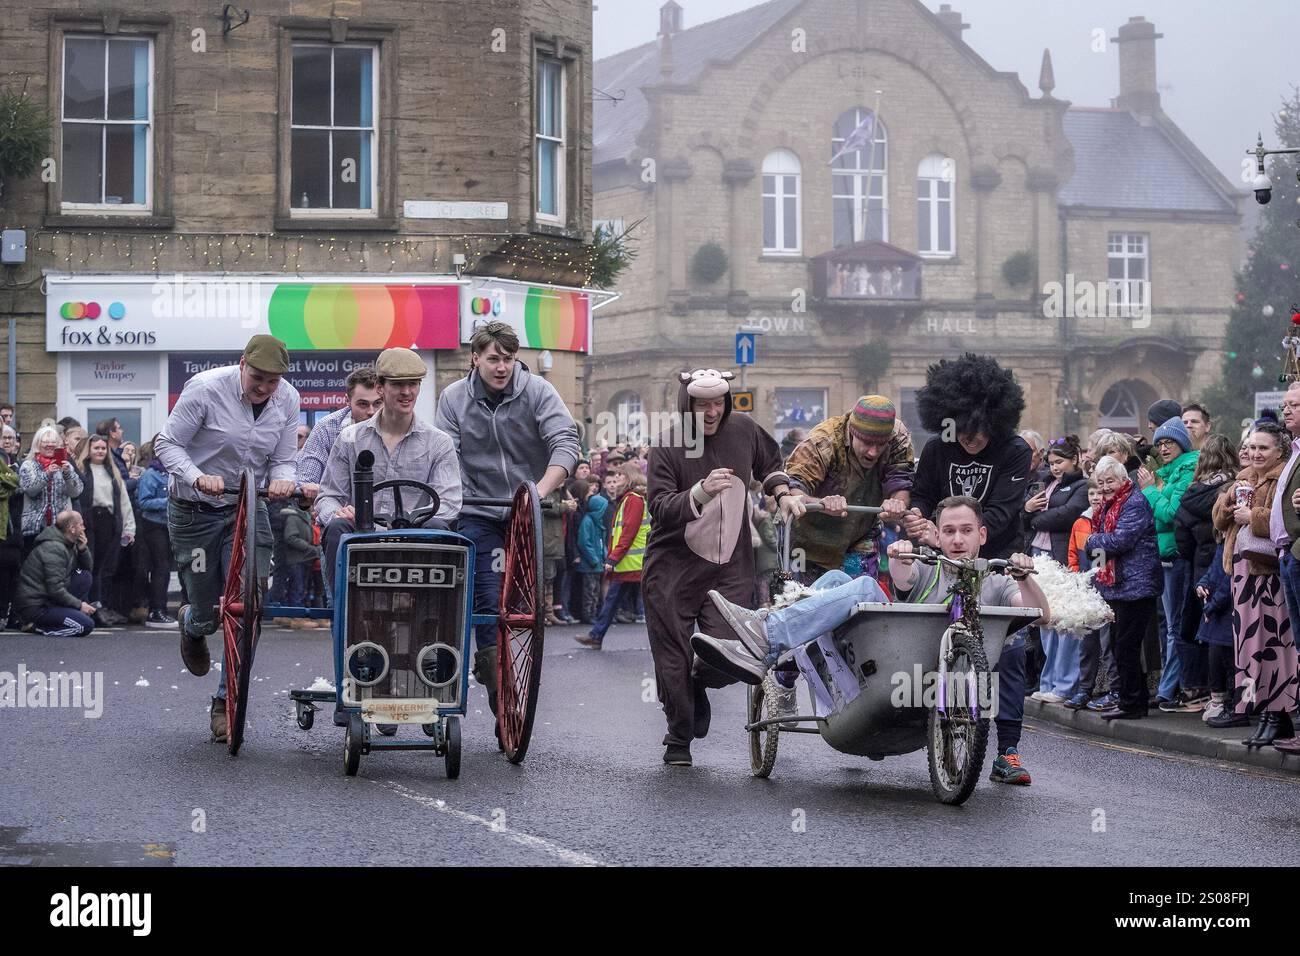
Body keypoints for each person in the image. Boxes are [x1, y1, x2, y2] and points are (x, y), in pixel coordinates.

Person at [691, 498, 1047, 756]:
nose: (957, 540)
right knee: (834, 577)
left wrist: (1026, 575)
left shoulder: (996, 580)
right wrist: (902, 554)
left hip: (930, 679)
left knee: (861, 586)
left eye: (966, 531)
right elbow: (904, 578)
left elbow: (1041, 614)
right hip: (891, 663)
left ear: (982, 535)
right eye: (949, 531)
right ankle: (775, 651)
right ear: (937, 536)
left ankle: (769, 642)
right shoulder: (928, 565)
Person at [642, 368, 801, 767]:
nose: (711, 412)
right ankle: (678, 737)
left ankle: (699, 682)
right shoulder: (666, 445)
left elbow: (770, 463)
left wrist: (782, 493)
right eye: (702, 404)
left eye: (718, 403)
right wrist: (700, 490)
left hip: (730, 562)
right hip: (672, 565)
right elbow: (659, 508)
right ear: (687, 404)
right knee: (672, 657)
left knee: (732, 653)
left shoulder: (744, 429)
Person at [155, 334, 299, 743]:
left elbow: (284, 458)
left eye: (273, 381)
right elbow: (167, 443)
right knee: (206, 606)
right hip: (195, 509)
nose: (264, 388)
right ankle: (193, 623)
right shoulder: (204, 389)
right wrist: (196, 476)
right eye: (258, 377)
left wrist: (286, 481)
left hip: (245, 508)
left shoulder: (287, 398)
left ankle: (224, 701)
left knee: (250, 603)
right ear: (242, 365)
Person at [435, 321, 579, 720]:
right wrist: (456, 499)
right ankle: (499, 686)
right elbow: (446, 457)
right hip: (477, 510)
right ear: (475, 358)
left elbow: (565, 442)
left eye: (509, 360)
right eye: (494, 359)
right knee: (487, 598)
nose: (502, 368)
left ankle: (510, 665)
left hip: (527, 509)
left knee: (519, 606)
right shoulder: (452, 398)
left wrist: (540, 492)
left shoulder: (537, 391)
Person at [902, 353, 1035, 778]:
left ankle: (1008, 751)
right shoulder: (938, 447)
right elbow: (921, 494)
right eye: (960, 429)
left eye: (977, 430)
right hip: (938, 558)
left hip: (996, 561)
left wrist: (962, 537)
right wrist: (920, 522)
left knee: (1012, 653)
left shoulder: (1014, 451)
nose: (969, 438)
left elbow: (1002, 512)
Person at [316, 348, 462, 600]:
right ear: (380, 387)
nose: (407, 392)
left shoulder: (439, 442)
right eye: (398, 384)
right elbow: (327, 496)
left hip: (416, 543)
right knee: (337, 526)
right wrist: (339, 511)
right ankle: (344, 609)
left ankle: (433, 618)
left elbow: (448, 503)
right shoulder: (350, 438)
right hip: (362, 538)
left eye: (413, 384)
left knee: (439, 526)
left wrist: (409, 525)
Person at [1211, 422, 1296, 747]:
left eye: (1264, 448)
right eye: (1252, 447)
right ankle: (1261, 712)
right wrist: (1228, 507)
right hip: (1242, 571)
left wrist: (1255, 517)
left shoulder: (1283, 477)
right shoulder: (1243, 477)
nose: (1256, 453)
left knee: (1273, 648)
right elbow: (1218, 522)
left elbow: (1285, 521)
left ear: (1279, 451)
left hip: (1269, 570)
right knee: (1248, 650)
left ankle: (1279, 715)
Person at [783, 395, 914, 581]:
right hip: (809, 543)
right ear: (852, 432)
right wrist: (820, 503)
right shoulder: (823, 441)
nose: (873, 452)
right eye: (867, 443)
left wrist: (897, 503)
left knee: (860, 597)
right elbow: (793, 491)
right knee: (808, 604)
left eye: (880, 445)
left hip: (861, 535)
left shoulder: (897, 436)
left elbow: (902, 478)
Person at [1086, 455, 1162, 720]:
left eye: (1110, 481)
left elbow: (1121, 540)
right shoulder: (1111, 503)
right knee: (1123, 646)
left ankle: (1132, 704)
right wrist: (1096, 540)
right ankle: (1135, 701)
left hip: (1137, 585)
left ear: (1123, 480)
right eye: (1101, 482)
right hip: (1119, 586)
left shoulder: (1134, 502)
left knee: (1126, 646)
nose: (1105, 487)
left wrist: (1092, 539)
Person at [1169, 434, 1237, 714]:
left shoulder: (1192, 492)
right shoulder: (1235, 486)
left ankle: (1199, 690)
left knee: (1200, 627)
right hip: (1229, 559)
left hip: (1199, 566)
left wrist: (1195, 555)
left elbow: (1181, 536)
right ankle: (1227, 693)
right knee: (1228, 630)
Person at [1139, 416, 1199, 706]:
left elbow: (1171, 514)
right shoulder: (1166, 472)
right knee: (1165, 626)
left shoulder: (1187, 470)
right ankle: (1168, 683)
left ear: (1182, 444)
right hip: (1161, 557)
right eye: (1160, 443)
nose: (1163, 448)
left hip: (1176, 557)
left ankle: (1168, 688)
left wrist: (1151, 491)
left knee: (1175, 626)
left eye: (1169, 442)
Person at [1024, 436, 1088, 703]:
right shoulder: (1046, 483)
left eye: (1060, 462)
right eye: (1051, 462)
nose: (1055, 467)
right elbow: (1023, 510)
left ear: (1075, 460)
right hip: (1038, 557)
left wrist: (1034, 518)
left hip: (1063, 559)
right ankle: (1048, 683)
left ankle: (1064, 686)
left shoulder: (1082, 486)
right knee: (1045, 623)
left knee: (1064, 624)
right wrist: (1027, 509)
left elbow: (1069, 514)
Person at [577, 463, 647, 649]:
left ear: (630, 478)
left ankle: (596, 636)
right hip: (630, 563)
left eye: (620, 475)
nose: (616, 479)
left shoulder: (633, 500)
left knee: (621, 600)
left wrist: (613, 558)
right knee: (613, 600)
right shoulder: (631, 499)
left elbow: (628, 533)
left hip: (631, 563)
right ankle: (596, 636)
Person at [72, 433, 136, 624]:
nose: (100, 451)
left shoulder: (113, 471)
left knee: (107, 567)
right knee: (89, 565)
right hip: (89, 522)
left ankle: (103, 605)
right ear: (88, 450)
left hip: (110, 522)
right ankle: (87, 604)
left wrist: (129, 527)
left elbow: (124, 501)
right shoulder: (81, 470)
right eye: (96, 448)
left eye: (102, 448)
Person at [12, 510, 96, 637]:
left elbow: (87, 569)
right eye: (81, 524)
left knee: (83, 576)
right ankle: (38, 627)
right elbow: (55, 589)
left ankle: (66, 613)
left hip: (49, 600)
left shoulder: (69, 543)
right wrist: (79, 605)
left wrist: (83, 549)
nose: (84, 528)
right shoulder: (54, 548)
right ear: (72, 529)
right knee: (84, 625)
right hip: (37, 607)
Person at [19, 425, 84, 560]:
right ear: (37, 443)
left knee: (58, 567)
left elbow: (76, 492)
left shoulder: (66, 466)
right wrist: (47, 474)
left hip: (61, 527)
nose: (50, 445)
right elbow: (30, 490)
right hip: (34, 527)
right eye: (45, 442)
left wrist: (67, 474)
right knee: (34, 569)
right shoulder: (28, 465)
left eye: (54, 442)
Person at [133, 439, 175, 627]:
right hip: (154, 526)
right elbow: (144, 502)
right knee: (161, 568)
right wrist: (169, 501)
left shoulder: (173, 473)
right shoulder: (151, 474)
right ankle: (157, 610)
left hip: (172, 526)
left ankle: (161, 609)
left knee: (167, 568)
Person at [279, 497, 320, 628]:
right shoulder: (293, 517)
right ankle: (297, 617)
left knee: (301, 589)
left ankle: (296, 615)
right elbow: (290, 537)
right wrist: (308, 547)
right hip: (297, 558)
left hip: (304, 558)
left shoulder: (303, 516)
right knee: (298, 588)